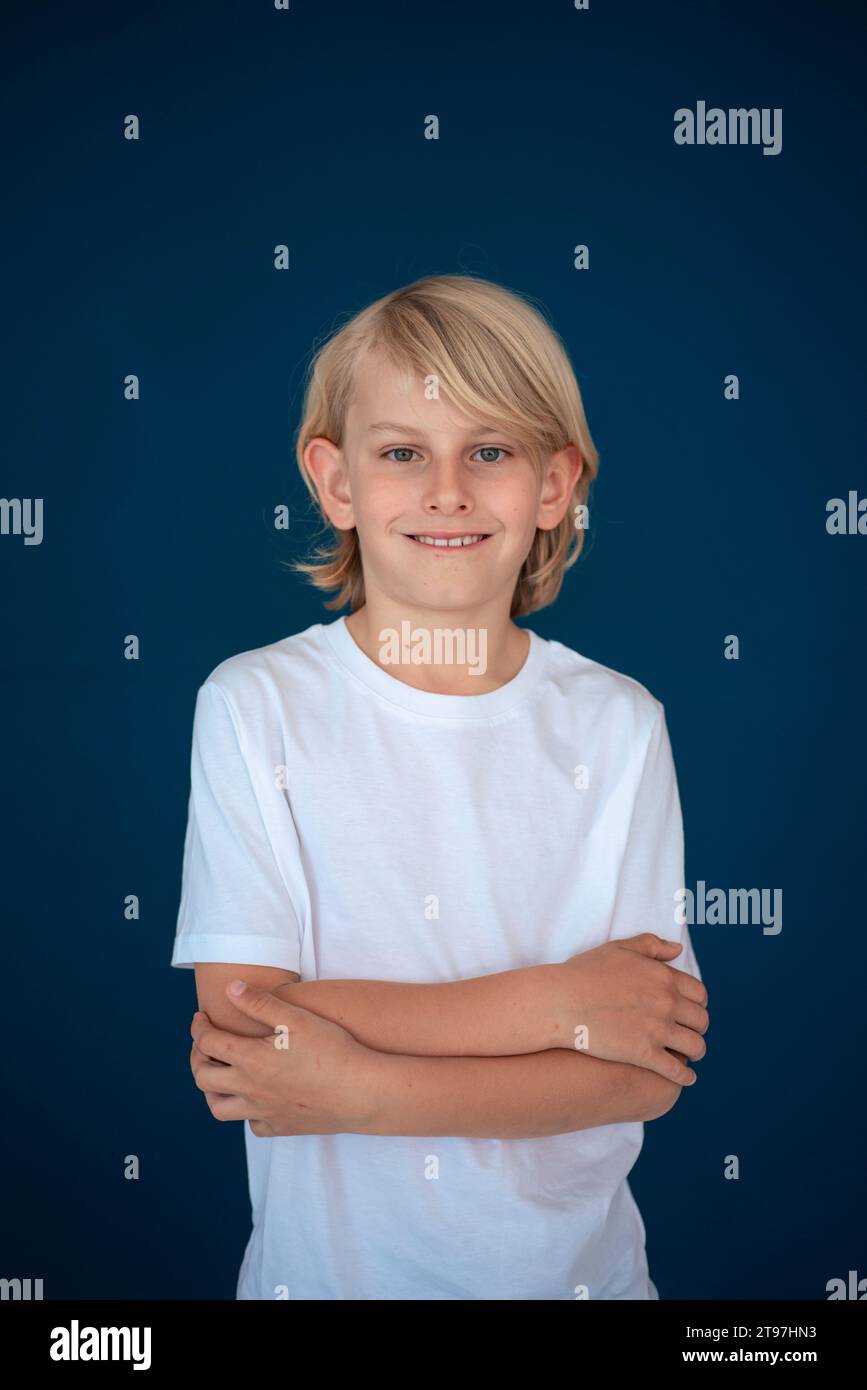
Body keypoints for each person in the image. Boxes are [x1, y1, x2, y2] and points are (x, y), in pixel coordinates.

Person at [171, 274, 708, 1300]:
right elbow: (248, 1025)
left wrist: (354, 1082)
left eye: (491, 452)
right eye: (403, 452)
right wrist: (558, 1002)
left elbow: (646, 1060)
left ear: (556, 485)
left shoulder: (620, 725)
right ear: (334, 480)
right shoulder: (255, 705)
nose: (448, 490)